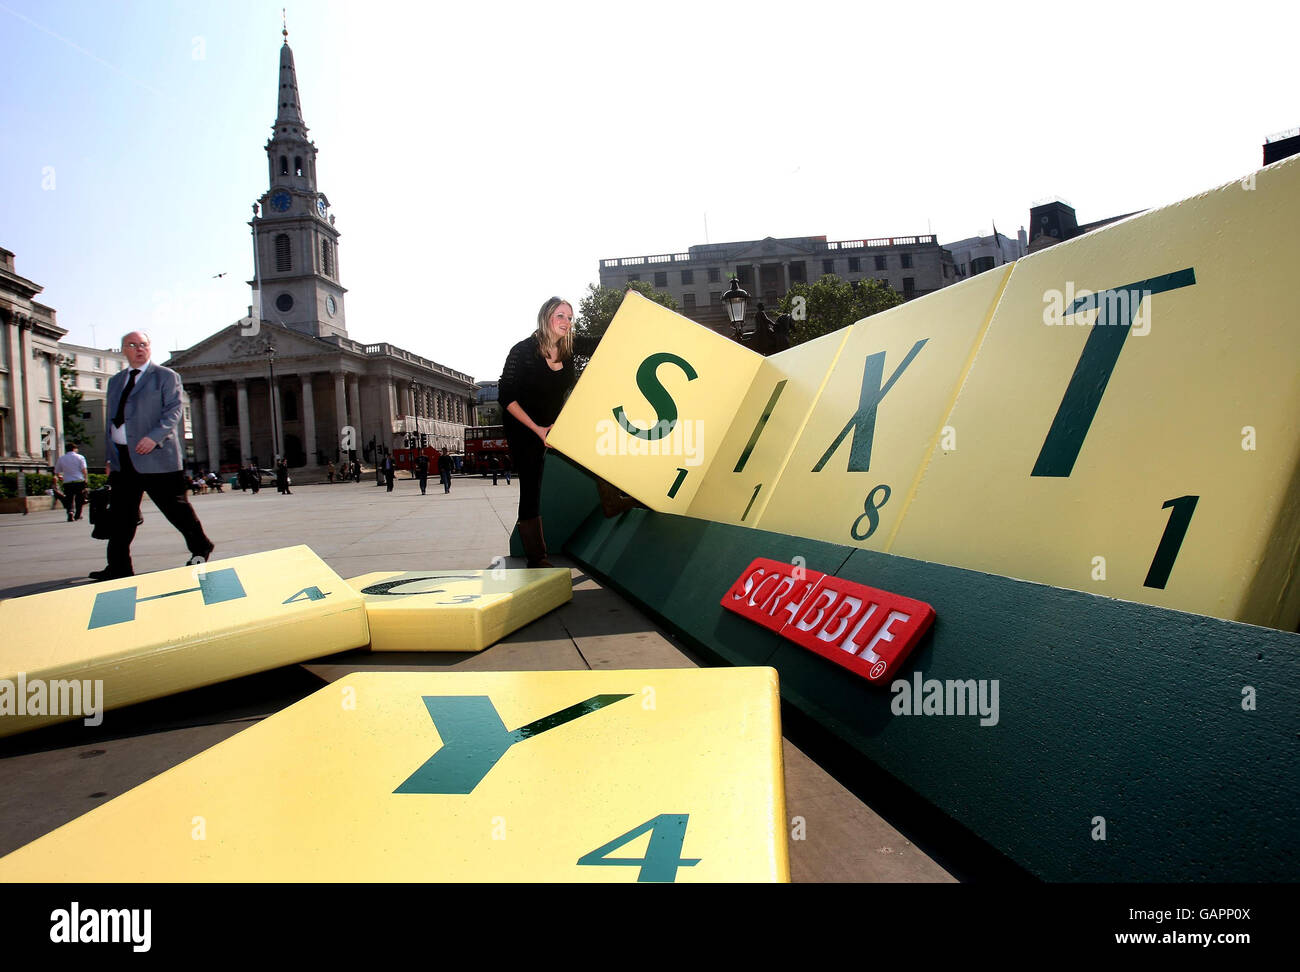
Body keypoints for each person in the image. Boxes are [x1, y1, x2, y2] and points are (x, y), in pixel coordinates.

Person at [89, 330, 214, 580]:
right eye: (132, 345)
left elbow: (173, 412)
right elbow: (111, 421)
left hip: (157, 457)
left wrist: (154, 436)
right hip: (123, 460)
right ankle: (118, 566)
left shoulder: (166, 376)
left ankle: (201, 547)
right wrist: (110, 457)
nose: (138, 349)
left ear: (150, 347)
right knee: (121, 517)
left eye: (143, 344)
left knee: (176, 511)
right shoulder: (116, 381)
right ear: (124, 350)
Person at [499, 296, 576, 568]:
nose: (566, 322)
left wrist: (630, 302)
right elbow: (506, 396)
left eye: (569, 317)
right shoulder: (522, 351)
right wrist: (537, 430)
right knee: (531, 487)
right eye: (560, 316)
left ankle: (614, 502)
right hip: (525, 428)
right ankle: (536, 557)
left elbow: (603, 339)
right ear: (546, 318)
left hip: (554, 425)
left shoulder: (569, 349)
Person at [53, 442, 88, 521]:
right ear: (74, 449)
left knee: (69, 498)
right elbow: (84, 470)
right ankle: (78, 515)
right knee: (79, 499)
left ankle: (70, 512)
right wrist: (86, 479)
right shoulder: (80, 457)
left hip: (67, 481)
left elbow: (57, 471)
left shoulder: (61, 458)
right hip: (79, 480)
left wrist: (60, 476)